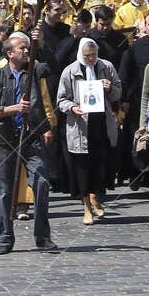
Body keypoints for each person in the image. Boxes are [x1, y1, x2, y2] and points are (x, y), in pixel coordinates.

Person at [0, 32, 59, 254]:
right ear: (9, 53)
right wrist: (13, 109)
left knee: (41, 182)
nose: (26, 51)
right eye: (21, 48)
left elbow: (54, 66)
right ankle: (5, 238)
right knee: (4, 191)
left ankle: (42, 236)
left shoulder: (33, 70)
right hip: (6, 140)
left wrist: (40, 43)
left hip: (31, 137)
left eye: (27, 48)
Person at [57, 36, 122, 224]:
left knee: (100, 165)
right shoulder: (70, 71)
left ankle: (95, 196)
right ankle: (86, 206)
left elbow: (118, 92)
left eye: (94, 55)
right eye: (87, 56)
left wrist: (110, 89)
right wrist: (72, 107)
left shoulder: (106, 67)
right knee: (83, 169)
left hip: (101, 124)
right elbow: (61, 99)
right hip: (80, 126)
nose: (91, 59)